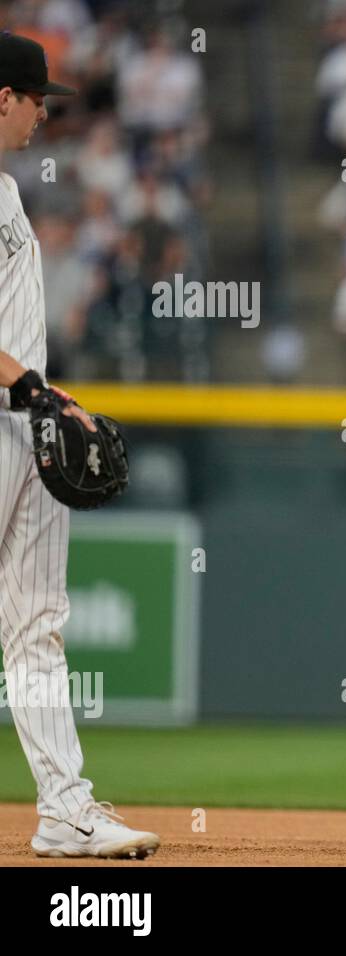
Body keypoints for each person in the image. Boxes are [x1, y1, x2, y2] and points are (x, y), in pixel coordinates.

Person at [0, 31, 159, 859]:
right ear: (3, 98)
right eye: (36, 100)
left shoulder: (7, 192)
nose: (42, 115)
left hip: (20, 426)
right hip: (6, 413)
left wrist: (42, 395)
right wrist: (27, 387)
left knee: (38, 627)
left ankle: (66, 809)